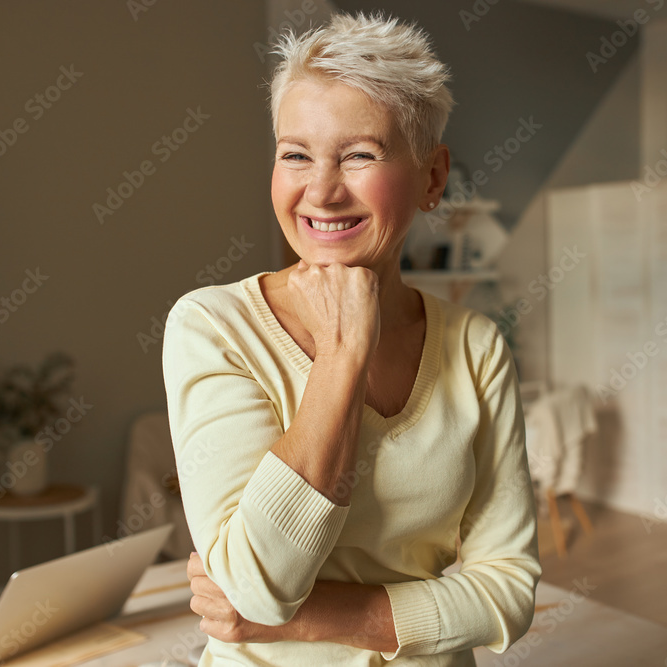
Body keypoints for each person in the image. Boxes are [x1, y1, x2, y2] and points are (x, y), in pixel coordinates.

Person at [161, 12, 540, 665]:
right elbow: (257, 584)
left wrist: (297, 621)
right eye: (295, 154)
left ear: (431, 176)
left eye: (360, 154)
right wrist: (341, 356)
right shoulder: (212, 326)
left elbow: (508, 591)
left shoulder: (476, 347)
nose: (322, 191)